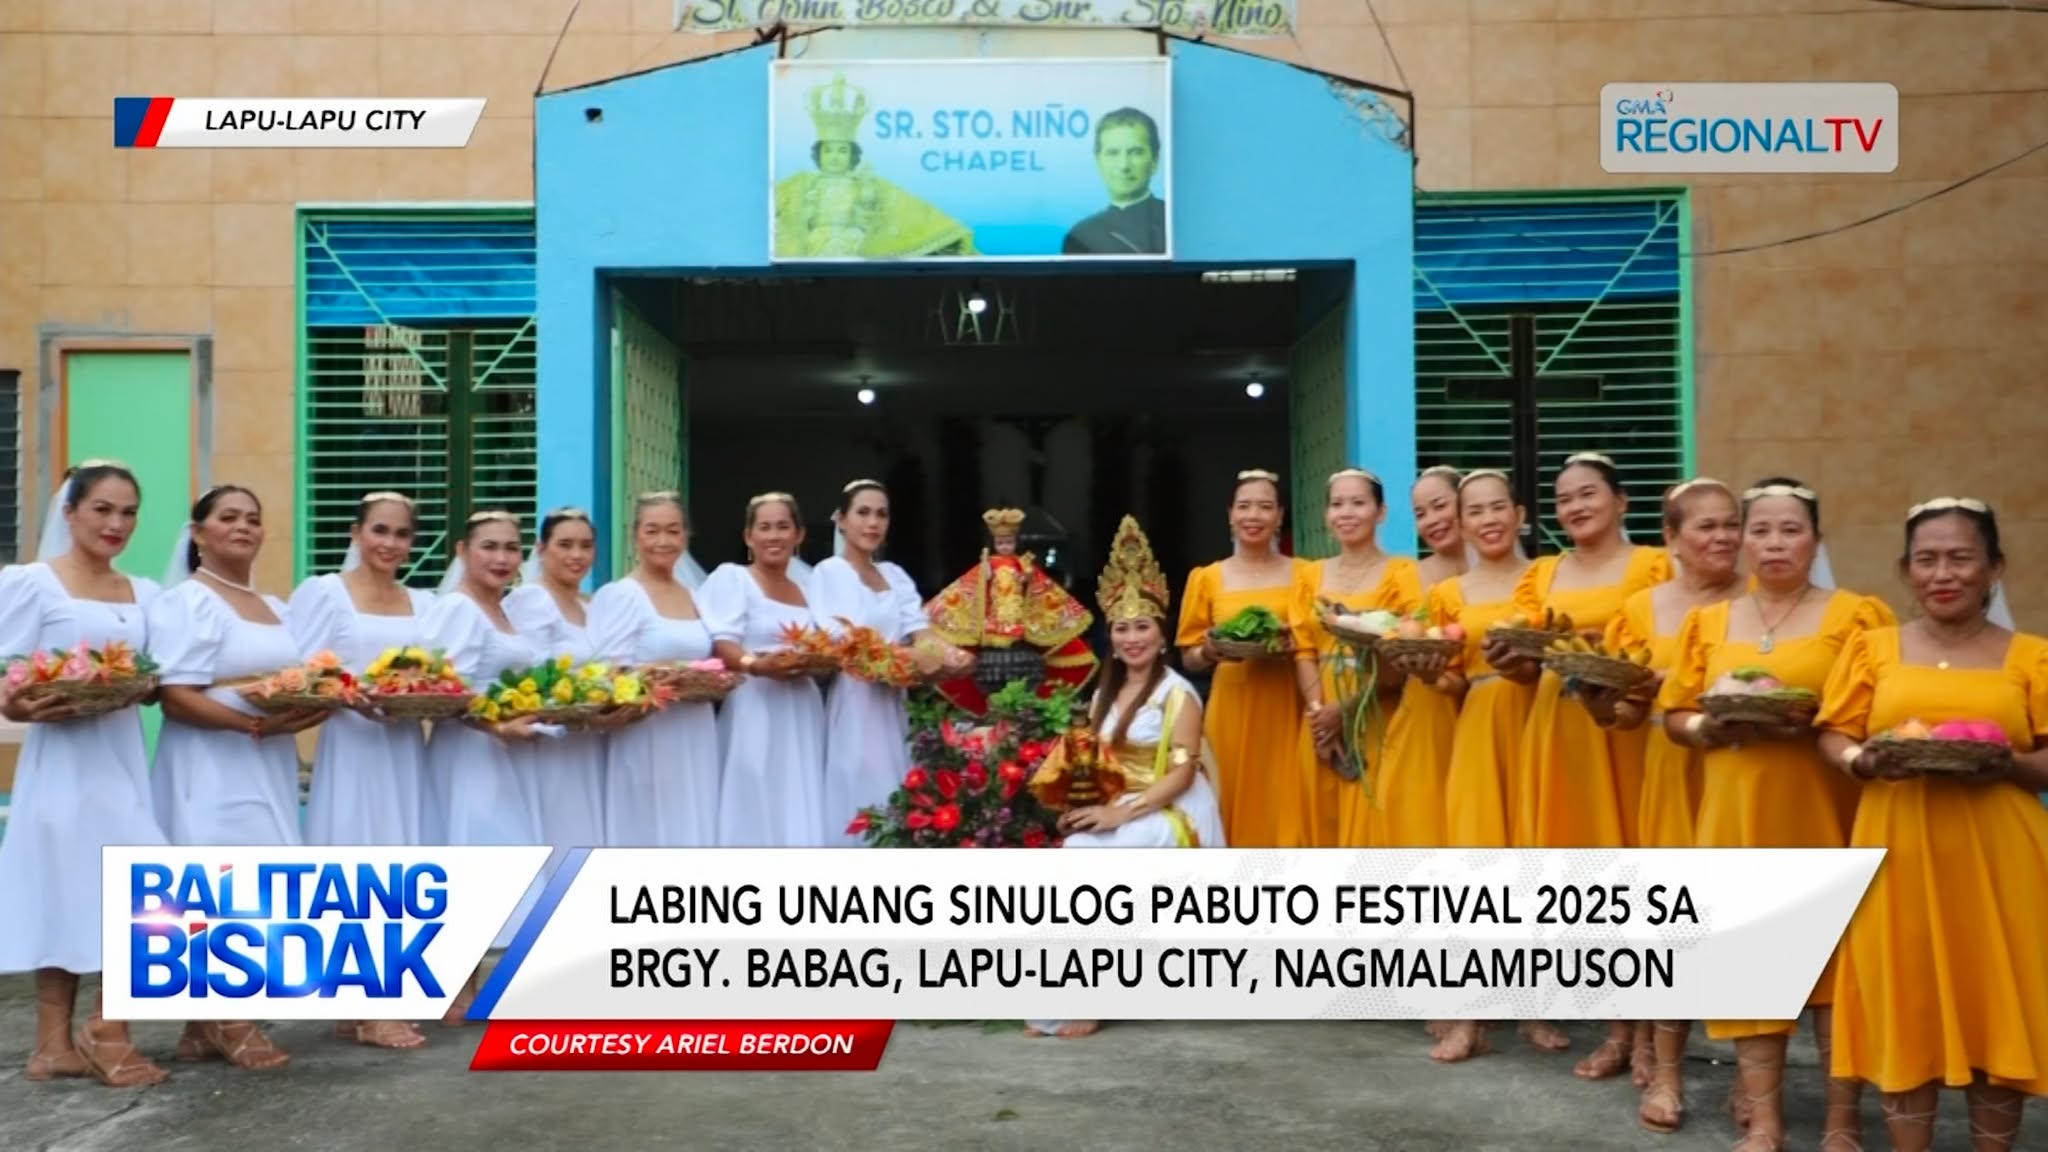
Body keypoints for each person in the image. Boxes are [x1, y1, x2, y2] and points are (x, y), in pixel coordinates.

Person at [1659, 479, 1891, 1152]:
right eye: (1759, 530)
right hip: (1735, 810)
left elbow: (1871, 712)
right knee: (1750, 964)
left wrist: (1811, 722)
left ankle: (1841, 1120)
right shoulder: (1710, 623)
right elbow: (1676, 713)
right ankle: (1765, 1122)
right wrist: (1710, 726)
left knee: (1833, 970)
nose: (1772, 543)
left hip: (1825, 806)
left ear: (1816, 539)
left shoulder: (1856, 616)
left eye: (1790, 530)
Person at [1816, 497, 2048, 1152]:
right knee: (1903, 1001)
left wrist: (2008, 765)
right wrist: (1863, 760)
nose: (1943, 573)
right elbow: (1835, 733)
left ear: (1995, 568)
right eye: (1927, 560)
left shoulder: (2030, 654)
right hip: (1897, 846)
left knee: (1994, 1003)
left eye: (1960, 558)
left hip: (2000, 856)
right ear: (1905, 570)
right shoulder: (1872, 648)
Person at [1496, 452, 1671, 1064]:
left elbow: (1664, 640)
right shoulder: (1542, 574)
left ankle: (1644, 1038)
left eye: (1589, 493)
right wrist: (1509, 657)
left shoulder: (1654, 565)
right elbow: (1523, 662)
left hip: (1624, 729)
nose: (1576, 506)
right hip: (1557, 726)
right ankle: (1611, 1028)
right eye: (1565, 498)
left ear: (1621, 501)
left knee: (1634, 874)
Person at [0, 462, 171, 1087]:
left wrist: (142, 684)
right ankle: (54, 1046)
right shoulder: (32, 585)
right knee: (64, 893)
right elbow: (7, 677)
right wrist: (17, 701)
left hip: (120, 761)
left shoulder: (143, 593)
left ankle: (105, 1026)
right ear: (68, 512)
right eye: (102, 509)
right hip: (62, 766)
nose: (116, 524)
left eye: (128, 512)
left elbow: (154, 680)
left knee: (148, 892)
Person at [1026, 514, 1224, 1040]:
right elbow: (1094, 765)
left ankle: (1095, 998)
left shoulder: (1178, 693)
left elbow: (1182, 775)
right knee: (1073, 856)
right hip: (1125, 806)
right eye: (1121, 627)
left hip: (1173, 811)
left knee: (1098, 860)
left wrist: (1118, 813)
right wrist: (1079, 803)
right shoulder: (1102, 696)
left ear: (1162, 635)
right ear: (1109, 636)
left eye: (1143, 627)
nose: (1132, 637)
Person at [151, 484, 324, 1071]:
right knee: (219, 878)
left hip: (265, 759)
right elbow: (175, 697)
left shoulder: (278, 607)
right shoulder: (189, 602)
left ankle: (199, 1028)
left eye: (253, 518)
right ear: (198, 534)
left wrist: (311, 704)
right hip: (211, 761)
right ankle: (231, 1016)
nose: (244, 527)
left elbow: (288, 677)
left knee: (264, 874)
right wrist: (250, 728)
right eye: (228, 518)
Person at [1601, 477, 1744, 1129]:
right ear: (1672, 538)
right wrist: (1606, 698)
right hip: (1671, 769)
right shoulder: (1642, 608)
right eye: (1706, 526)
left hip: (1746, 778)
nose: (1723, 537)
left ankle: (1751, 1075)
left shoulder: (1763, 604)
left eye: (1730, 524)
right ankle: (1665, 1069)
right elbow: (1623, 712)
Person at [285, 490, 436, 1052]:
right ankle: (368, 1008)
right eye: (380, 531)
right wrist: (348, 694)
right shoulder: (326, 593)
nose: (391, 544)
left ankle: (368, 1003)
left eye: (401, 535)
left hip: (401, 745)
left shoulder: (423, 603)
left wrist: (417, 693)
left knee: (398, 864)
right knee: (356, 863)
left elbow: (437, 673)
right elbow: (298, 669)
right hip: (352, 745)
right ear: (356, 532)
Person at [421, 510, 549, 1023]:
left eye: (511, 548)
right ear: (461, 551)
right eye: (489, 547)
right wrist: (495, 725)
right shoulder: (458, 609)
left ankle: (470, 984)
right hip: (469, 752)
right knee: (470, 854)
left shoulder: (505, 611)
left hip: (507, 751)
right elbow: (447, 687)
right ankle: (455, 988)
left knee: (496, 857)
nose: (501, 558)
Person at [811, 480, 969, 845]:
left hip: (892, 701)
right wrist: (915, 657)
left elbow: (918, 630)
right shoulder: (830, 572)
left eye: (881, 514)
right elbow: (850, 642)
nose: (872, 523)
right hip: (855, 700)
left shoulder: (894, 575)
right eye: (862, 513)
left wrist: (950, 653)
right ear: (841, 520)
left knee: (896, 787)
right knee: (860, 792)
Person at [1289, 468, 1421, 848]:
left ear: (1380, 512)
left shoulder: (1402, 572)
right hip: (1320, 721)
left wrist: (1342, 711)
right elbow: (1304, 649)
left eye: (1358, 503)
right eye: (1337, 504)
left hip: (1377, 709)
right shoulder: (1309, 575)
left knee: (1374, 821)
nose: (1346, 512)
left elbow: (1406, 649)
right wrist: (1319, 716)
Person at [1176, 469, 1307, 848]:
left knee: (1290, 799)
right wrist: (1211, 651)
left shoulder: (1306, 574)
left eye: (1265, 507)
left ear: (1279, 515)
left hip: (1288, 702)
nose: (1254, 516)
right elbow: (1189, 657)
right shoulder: (1207, 579)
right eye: (1245, 506)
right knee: (1229, 797)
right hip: (1231, 704)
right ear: (1230, 514)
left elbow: (1315, 641)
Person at [589, 491, 722, 848]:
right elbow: (607, 674)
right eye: (652, 531)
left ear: (685, 535)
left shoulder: (696, 595)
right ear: (635, 535)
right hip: (648, 734)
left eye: (673, 531)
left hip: (695, 732)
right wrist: (659, 672)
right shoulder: (622, 595)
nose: (663, 541)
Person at [702, 492, 831, 847]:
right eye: (764, 527)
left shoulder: (809, 591)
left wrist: (818, 662)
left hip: (802, 709)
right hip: (753, 704)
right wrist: (754, 665)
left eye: (783, 527)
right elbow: (720, 641)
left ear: (799, 535)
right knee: (754, 785)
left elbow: (825, 647)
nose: (774, 536)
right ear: (748, 537)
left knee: (797, 793)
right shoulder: (733, 579)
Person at [505, 508, 616, 880]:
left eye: (586, 546)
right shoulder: (532, 600)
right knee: (562, 832)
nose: (576, 555)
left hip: (592, 739)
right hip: (552, 744)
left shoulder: (593, 604)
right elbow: (531, 676)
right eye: (565, 545)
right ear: (541, 548)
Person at [772, 73, 977, 259]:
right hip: (816, 243)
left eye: (842, 151)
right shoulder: (803, 183)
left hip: (854, 243)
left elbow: (908, 209)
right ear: (819, 154)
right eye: (828, 150)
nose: (834, 157)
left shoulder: (866, 182)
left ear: (853, 155)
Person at [1373, 466, 1469, 849]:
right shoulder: (1405, 580)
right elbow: (1389, 673)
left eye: (1439, 506)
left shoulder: (1516, 574)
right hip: (1426, 720)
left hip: (1493, 716)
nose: (1431, 520)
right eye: (1420, 513)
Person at [924, 507, 1098, 717]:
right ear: (994, 543)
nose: (1004, 546)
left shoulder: (1020, 562)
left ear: (1016, 542)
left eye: (1008, 542)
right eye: (1000, 543)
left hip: (1016, 610)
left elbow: (1033, 583)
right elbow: (978, 583)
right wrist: (985, 569)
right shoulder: (991, 562)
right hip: (996, 612)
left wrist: (1027, 575)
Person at [1062, 107, 1167, 256]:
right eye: (1113, 153)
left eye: (1136, 152)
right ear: (1098, 162)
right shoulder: (1080, 236)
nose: (1124, 165)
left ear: (1155, 160)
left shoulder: (1173, 222)